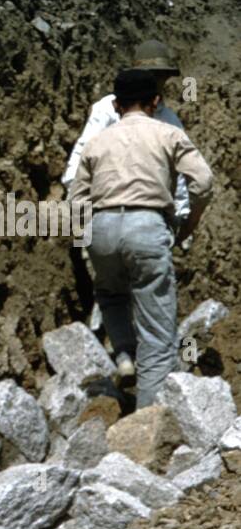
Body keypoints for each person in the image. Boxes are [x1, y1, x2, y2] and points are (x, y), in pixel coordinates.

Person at [69, 69, 212, 409]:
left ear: (116, 105)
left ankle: (125, 355)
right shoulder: (169, 133)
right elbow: (203, 182)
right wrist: (187, 225)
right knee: (159, 334)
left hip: (102, 227)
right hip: (147, 226)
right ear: (156, 101)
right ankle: (149, 420)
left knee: (109, 293)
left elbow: (76, 201)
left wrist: (92, 236)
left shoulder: (97, 142)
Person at [62, 39, 193, 371]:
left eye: (162, 76)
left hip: (146, 218)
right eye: (153, 75)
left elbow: (178, 178)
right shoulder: (108, 110)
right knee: (111, 288)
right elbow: (78, 165)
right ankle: (116, 356)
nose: (159, 82)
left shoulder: (169, 120)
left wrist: (180, 217)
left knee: (138, 290)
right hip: (106, 212)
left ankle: (133, 359)